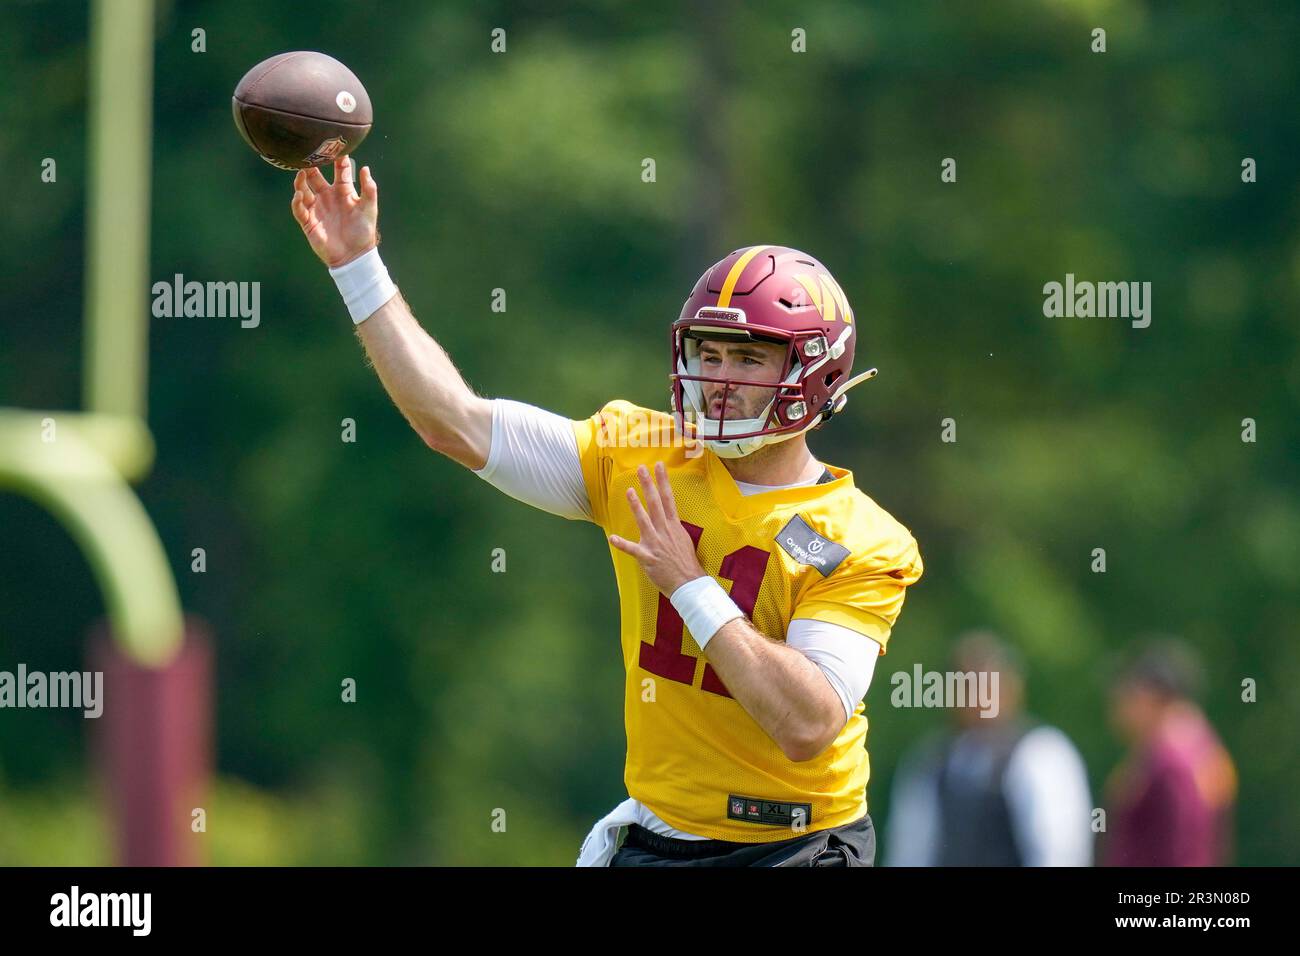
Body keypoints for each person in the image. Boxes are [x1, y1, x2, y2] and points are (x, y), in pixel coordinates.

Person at [289, 157, 924, 866]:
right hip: (659, 836)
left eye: (748, 361)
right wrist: (358, 266)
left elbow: (806, 723)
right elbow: (455, 423)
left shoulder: (860, 540)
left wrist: (690, 586)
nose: (717, 382)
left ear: (815, 374)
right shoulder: (642, 452)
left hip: (795, 847)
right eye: (706, 353)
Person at [884, 630, 1094, 866]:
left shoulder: (1042, 753)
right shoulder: (929, 762)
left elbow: (1059, 853)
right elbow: (909, 853)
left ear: (1013, 686)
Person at [1101, 635, 1236, 866]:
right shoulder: (1203, 749)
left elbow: (1177, 852)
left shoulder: (1172, 762)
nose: (1117, 704)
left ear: (1149, 694)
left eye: (1125, 694)